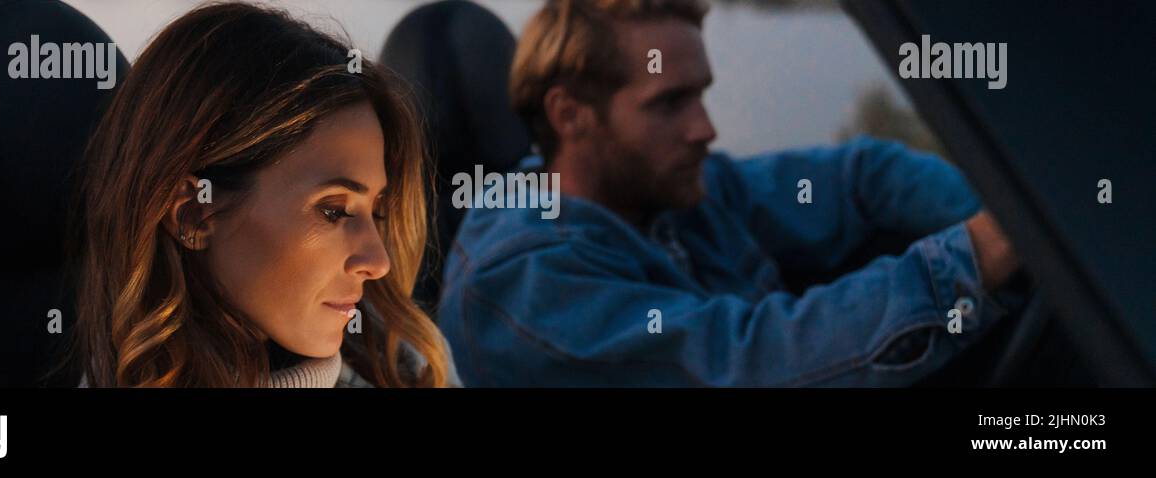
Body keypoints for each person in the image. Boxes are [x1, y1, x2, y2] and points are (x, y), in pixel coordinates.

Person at [438, 0, 1021, 386]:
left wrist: (1014, 224)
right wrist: (973, 258)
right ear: (571, 115)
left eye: (703, 95)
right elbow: (746, 364)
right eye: (670, 103)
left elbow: (862, 175)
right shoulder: (518, 286)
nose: (706, 129)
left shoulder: (665, 185)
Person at [70, 3, 457, 387]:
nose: (378, 262)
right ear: (193, 213)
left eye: (377, 213)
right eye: (334, 210)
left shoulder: (409, 367)